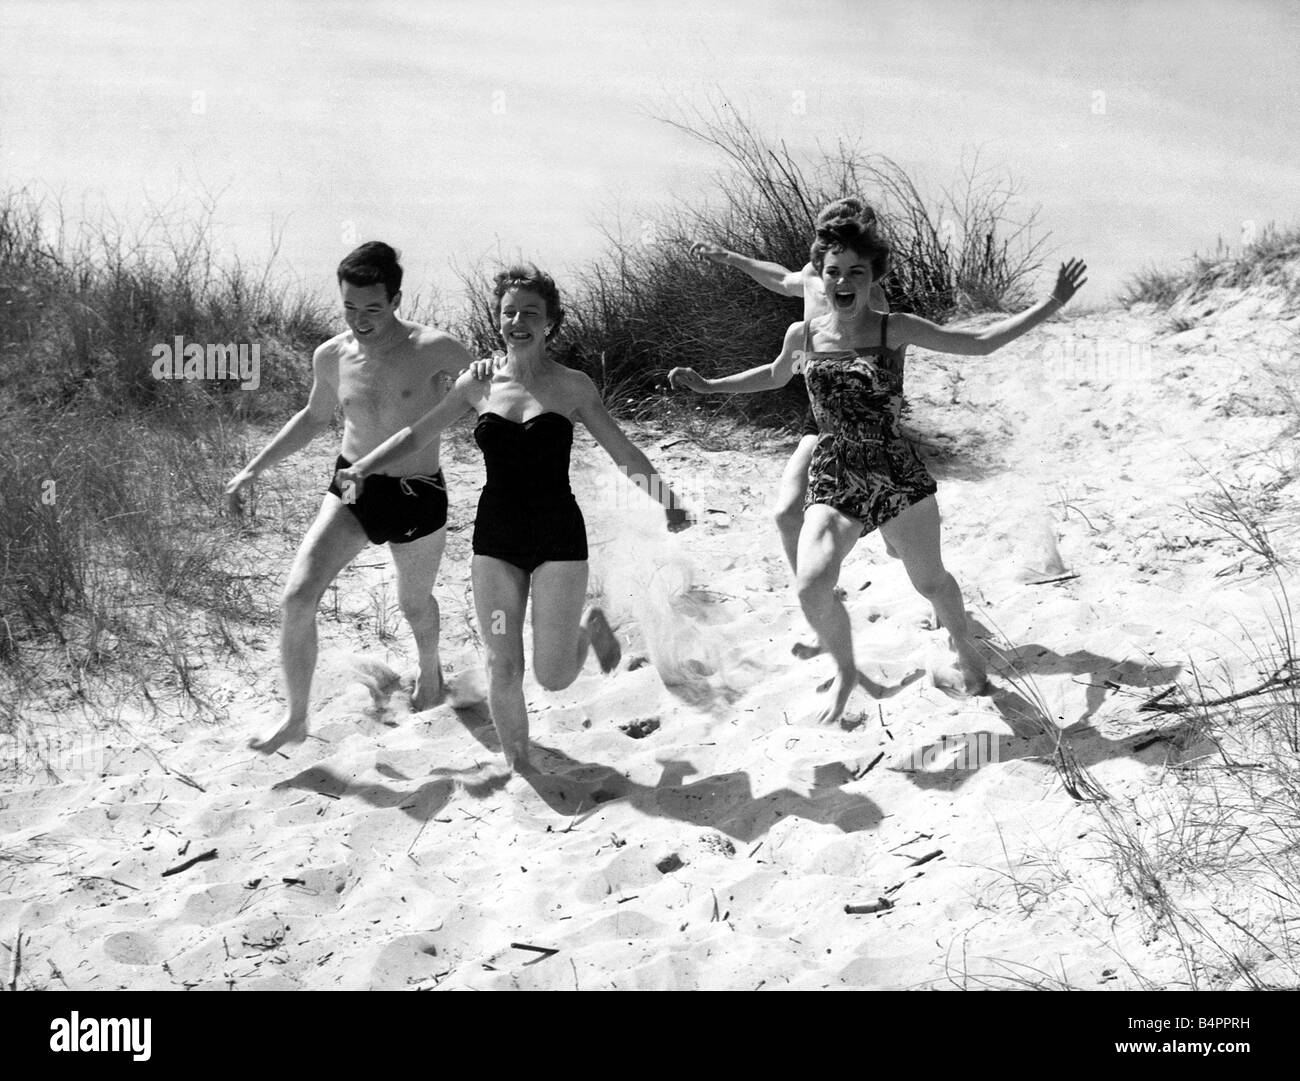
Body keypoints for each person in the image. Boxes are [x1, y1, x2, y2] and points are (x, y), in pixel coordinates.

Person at [670, 214, 1087, 724]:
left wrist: (1051, 303)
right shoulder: (802, 333)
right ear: (819, 276)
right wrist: (710, 387)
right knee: (810, 585)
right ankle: (846, 671)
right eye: (834, 272)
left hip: (894, 475)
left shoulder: (895, 328)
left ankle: (963, 641)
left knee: (931, 583)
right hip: (834, 473)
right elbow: (776, 376)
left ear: (873, 277)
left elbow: (979, 344)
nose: (843, 282)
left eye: (856, 272)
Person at [336, 264, 691, 772]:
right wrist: (364, 468)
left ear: (551, 322)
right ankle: (521, 765)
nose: (518, 321)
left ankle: (589, 630)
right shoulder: (477, 384)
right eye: (509, 312)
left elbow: (623, 452)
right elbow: (417, 434)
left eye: (531, 312)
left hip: (557, 542)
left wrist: (669, 499)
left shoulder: (573, 386)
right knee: (503, 662)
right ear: (497, 318)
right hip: (496, 543)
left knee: (553, 677)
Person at [226, 242, 476, 752]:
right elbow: (314, 418)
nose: (360, 320)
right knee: (297, 596)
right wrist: (253, 468)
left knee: (413, 602)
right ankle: (296, 718)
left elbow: (490, 396)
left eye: (373, 309)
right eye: (349, 307)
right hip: (350, 484)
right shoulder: (332, 355)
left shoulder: (438, 348)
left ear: (396, 298)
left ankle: (430, 670)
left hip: (418, 491)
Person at [688, 198, 890, 584]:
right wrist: (729, 257)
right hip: (820, 412)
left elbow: (889, 364)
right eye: (828, 235)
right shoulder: (815, 277)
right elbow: (780, 281)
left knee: (897, 539)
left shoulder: (869, 293)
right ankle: (815, 601)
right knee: (785, 514)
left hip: (869, 419)